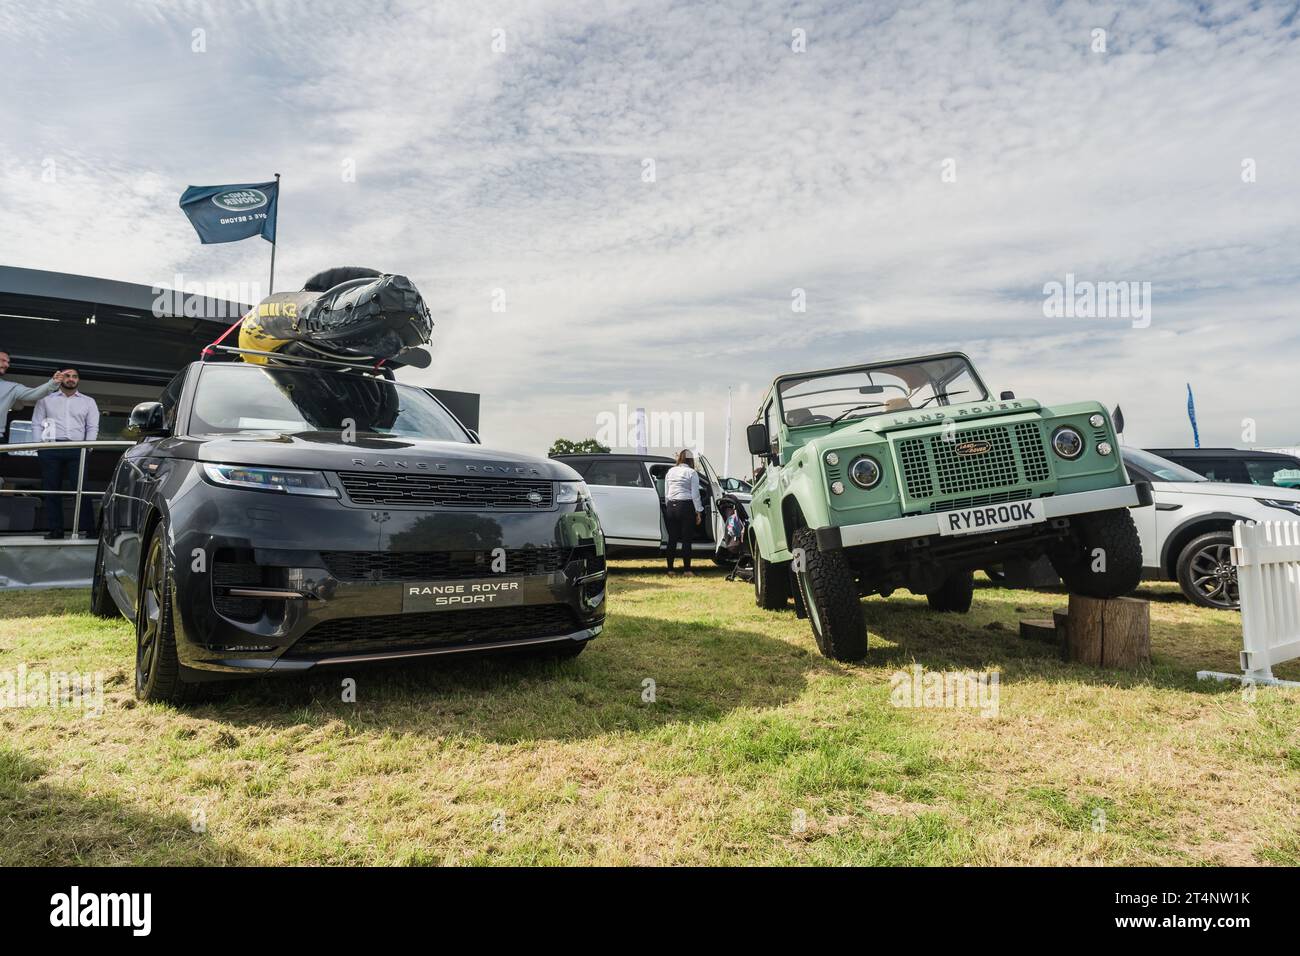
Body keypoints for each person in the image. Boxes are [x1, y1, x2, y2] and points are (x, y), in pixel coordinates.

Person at [32, 366, 100, 539]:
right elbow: (36, 423)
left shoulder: (88, 401)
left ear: (78, 380)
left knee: (82, 490)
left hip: (78, 449)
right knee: (51, 490)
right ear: (60, 378)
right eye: (67, 376)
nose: (71, 379)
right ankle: (56, 530)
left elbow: (92, 427)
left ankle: (89, 529)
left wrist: (88, 447)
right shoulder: (45, 399)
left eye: (75, 376)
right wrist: (38, 446)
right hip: (50, 448)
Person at [663, 448, 703, 575]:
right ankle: (687, 570)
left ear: (679, 458)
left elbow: (666, 493)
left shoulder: (670, 471)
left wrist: (669, 504)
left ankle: (670, 569)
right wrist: (699, 511)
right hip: (685, 506)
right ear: (691, 460)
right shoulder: (692, 472)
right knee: (686, 539)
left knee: (672, 539)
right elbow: (695, 494)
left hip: (671, 506)